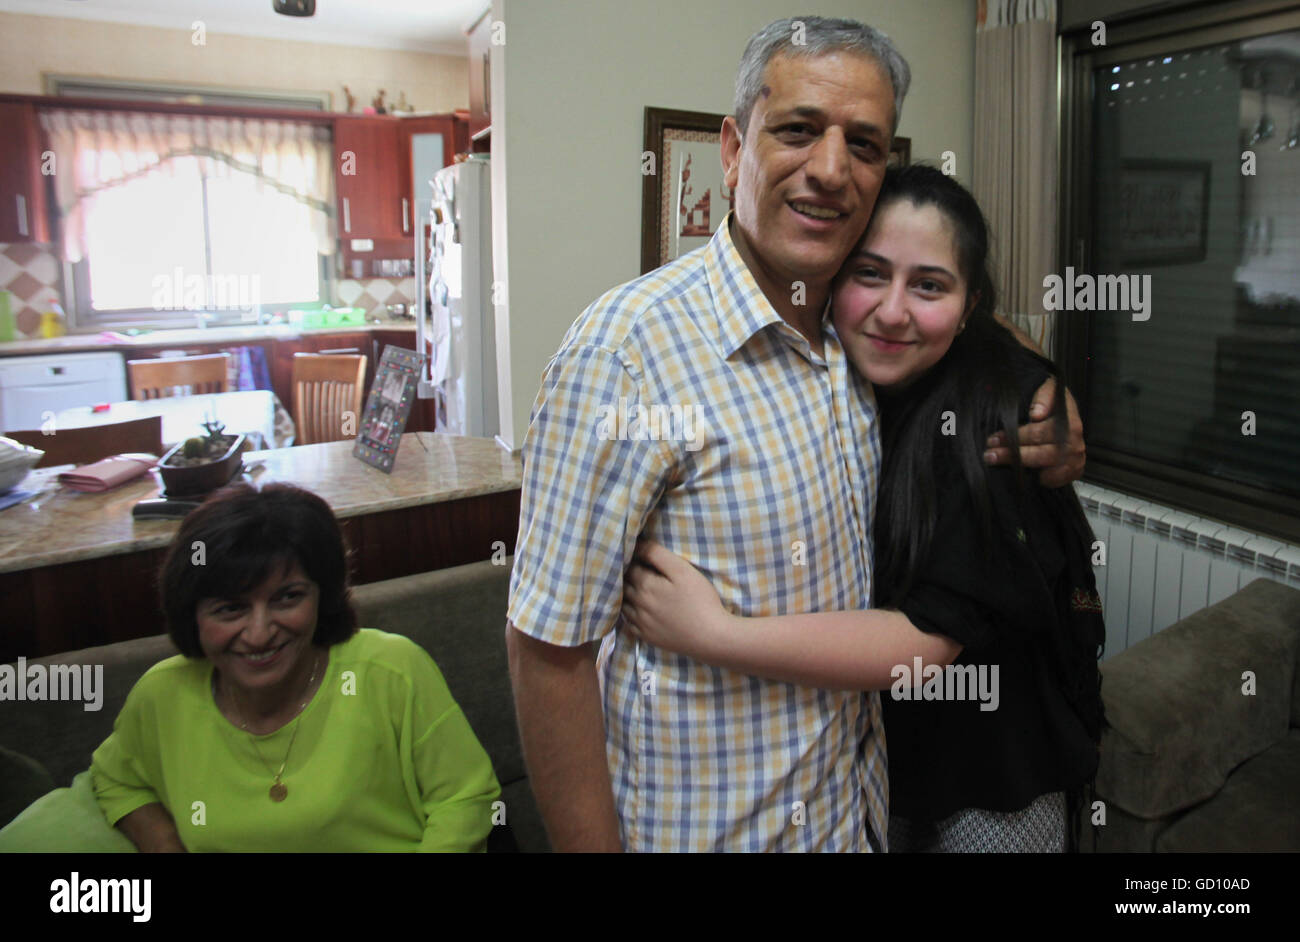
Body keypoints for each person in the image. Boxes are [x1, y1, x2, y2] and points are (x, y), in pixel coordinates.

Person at [506, 16, 1085, 853]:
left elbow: (971, 329)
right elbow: (546, 649)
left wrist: (1056, 406)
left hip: (855, 817)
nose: (829, 168)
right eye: (799, 130)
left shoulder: (854, 335)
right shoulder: (627, 356)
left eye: (863, 145)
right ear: (734, 148)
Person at [622, 164, 1105, 852]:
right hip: (874, 767)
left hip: (996, 771)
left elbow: (926, 640)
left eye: (929, 286)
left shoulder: (998, 427)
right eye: (870, 273)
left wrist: (713, 634)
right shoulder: (826, 370)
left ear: (967, 306)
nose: (893, 310)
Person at [91, 482, 500, 852]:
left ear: (323, 597)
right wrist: (163, 844)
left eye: (287, 598)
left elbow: (466, 800)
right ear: (191, 614)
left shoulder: (393, 670)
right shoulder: (161, 697)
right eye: (231, 609)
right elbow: (116, 778)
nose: (259, 633)